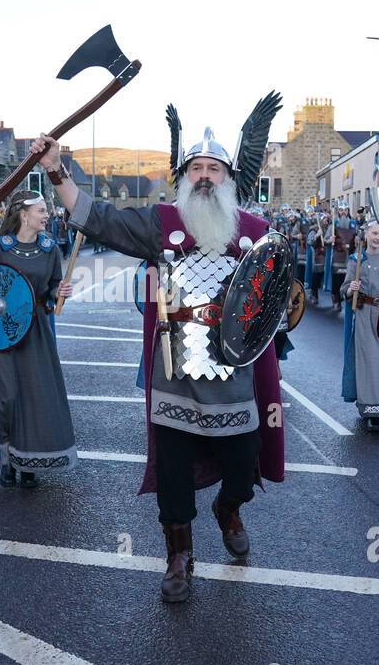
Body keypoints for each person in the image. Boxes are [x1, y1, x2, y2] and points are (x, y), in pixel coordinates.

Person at [41, 92, 287, 604]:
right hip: (173, 375)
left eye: (213, 169)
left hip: (235, 378)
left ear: (229, 178)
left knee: (244, 465)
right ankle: (179, 555)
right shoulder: (161, 226)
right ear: (183, 176)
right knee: (173, 473)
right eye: (195, 168)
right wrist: (59, 172)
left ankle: (228, 507)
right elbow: (101, 218)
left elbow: (277, 295)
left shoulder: (257, 234)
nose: (203, 176)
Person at [0, 189, 77, 489]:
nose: (47, 215)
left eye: (46, 211)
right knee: (6, 398)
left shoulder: (50, 250)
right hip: (3, 335)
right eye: (42, 211)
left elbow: (53, 289)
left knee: (34, 397)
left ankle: (29, 462)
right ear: (24, 214)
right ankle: (7, 459)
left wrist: (60, 292)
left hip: (36, 333)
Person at [341, 220, 379, 431]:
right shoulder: (356, 260)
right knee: (369, 361)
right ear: (366, 234)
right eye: (374, 233)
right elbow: (345, 289)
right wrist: (352, 288)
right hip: (365, 313)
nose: (378, 238)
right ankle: (370, 410)